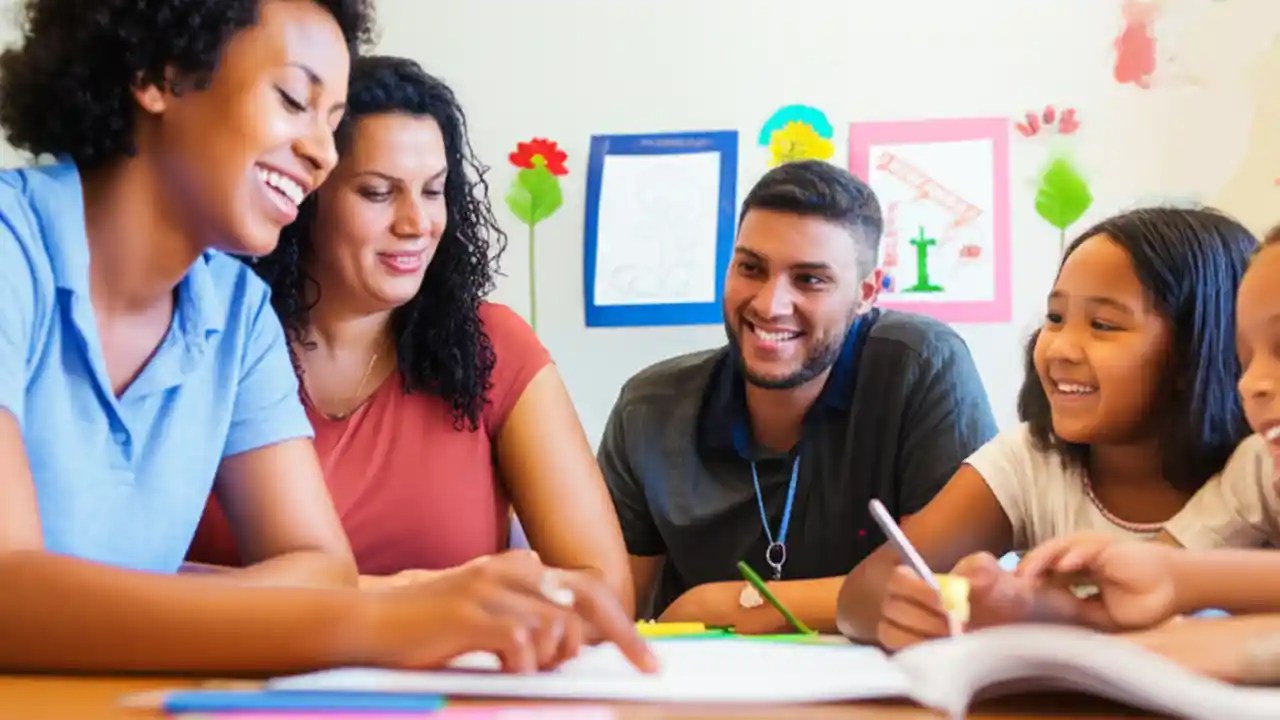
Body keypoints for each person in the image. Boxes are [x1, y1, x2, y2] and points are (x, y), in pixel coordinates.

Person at [0, 0, 653, 674]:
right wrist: (384, 616)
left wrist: (342, 604)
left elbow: (321, 570)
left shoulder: (236, 312)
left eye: (333, 123)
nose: (319, 153)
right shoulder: (11, 251)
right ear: (159, 76)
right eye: (293, 101)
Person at [186, 55, 634, 609]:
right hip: (230, 684)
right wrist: (411, 597)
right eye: (377, 192)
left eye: (432, 190)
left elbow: (606, 588)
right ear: (305, 198)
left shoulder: (494, 347)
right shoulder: (210, 340)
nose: (417, 223)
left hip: (452, 686)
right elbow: (127, 575)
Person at [599, 160, 997, 634]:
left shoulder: (921, 366)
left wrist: (722, 604)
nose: (770, 304)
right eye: (751, 268)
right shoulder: (649, 408)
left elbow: (945, 591)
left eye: (809, 279)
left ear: (865, 292)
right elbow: (609, 613)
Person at [836, 206, 1259, 650]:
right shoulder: (1032, 459)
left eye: (1103, 325)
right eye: (1055, 318)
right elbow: (861, 594)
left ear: (1200, 348)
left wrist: (1039, 613)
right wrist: (924, 607)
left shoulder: (1259, 471)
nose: (1059, 348)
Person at [1009, 223, 1280, 684]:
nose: (1251, 383)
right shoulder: (1259, 467)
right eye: (1245, 357)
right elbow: (1164, 570)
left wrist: (1183, 588)